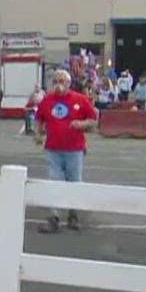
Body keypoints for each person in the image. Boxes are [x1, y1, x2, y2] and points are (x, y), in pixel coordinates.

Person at [34, 69, 98, 234]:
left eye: (62, 81)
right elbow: (39, 119)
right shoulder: (47, 100)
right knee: (54, 181)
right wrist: (38, 134)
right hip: (53, 149)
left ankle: (73, 214)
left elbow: (93, 120)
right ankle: (53, 217)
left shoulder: (80, 100)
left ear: (69, 84)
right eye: (55, 81)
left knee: (74, 181)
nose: (58, 85)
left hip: (74, 149)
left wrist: (81, 124)